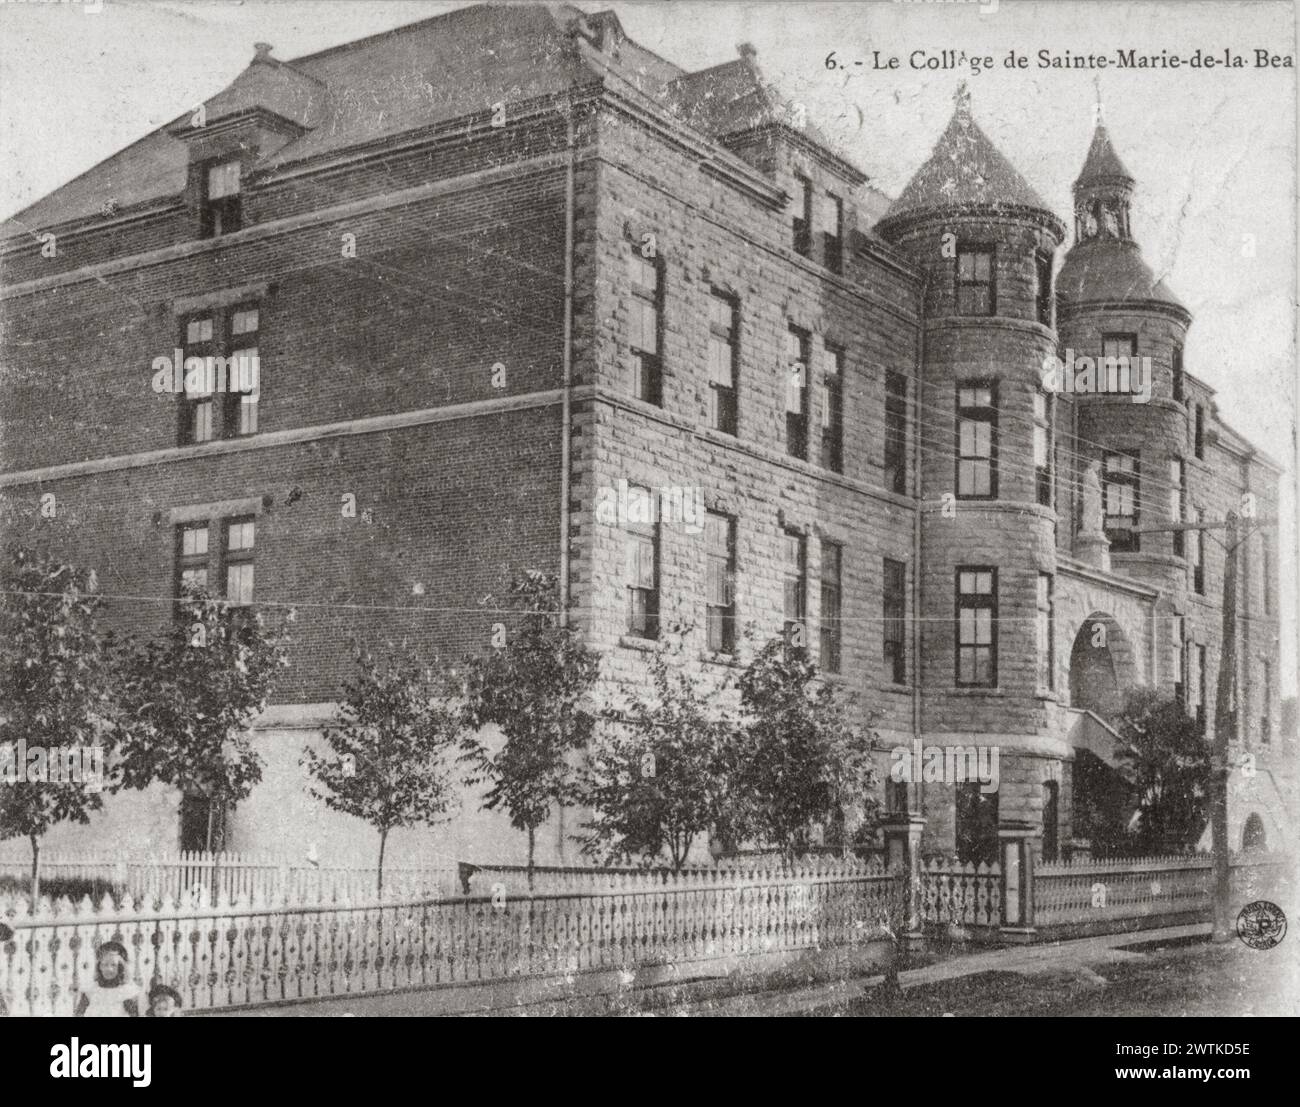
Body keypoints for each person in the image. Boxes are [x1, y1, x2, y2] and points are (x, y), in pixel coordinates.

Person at [75, 940, 145, 1017]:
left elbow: (135, 1014)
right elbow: (79, 1014)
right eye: (105, 964)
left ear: (120, 967)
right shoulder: (90, 990)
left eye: (113, 965)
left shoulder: (127, 992)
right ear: (99, 966)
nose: (109, 969)